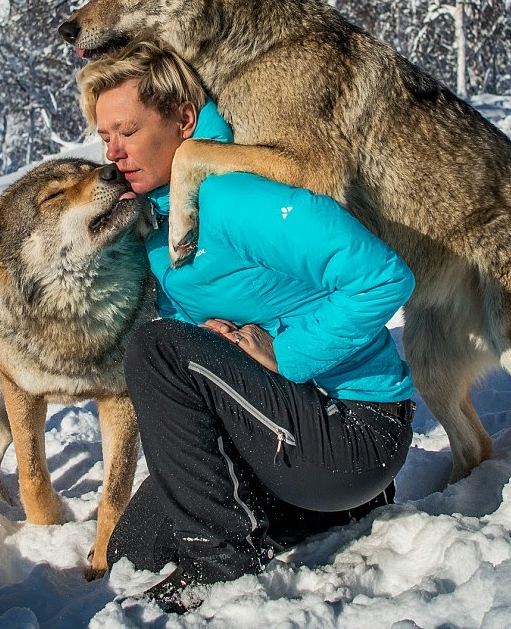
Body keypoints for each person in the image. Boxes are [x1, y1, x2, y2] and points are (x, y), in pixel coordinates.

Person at [77, 39, 416, 613]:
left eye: (128, 132)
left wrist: (286, 353)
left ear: (185, 120)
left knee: (156, 349)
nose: (113, 152)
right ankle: (319, 513)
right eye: (104, 136)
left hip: (356, 426)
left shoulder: (235, 195)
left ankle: (223, 563)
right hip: (280, 427)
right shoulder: (159, 219)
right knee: (134, 549)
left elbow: (383, 277)